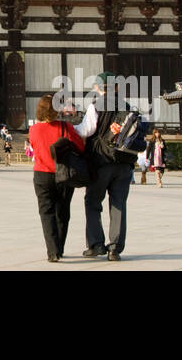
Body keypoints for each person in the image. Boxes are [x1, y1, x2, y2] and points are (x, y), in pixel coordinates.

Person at [76, 72, 140, 262]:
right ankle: (115, 248)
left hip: (101, 162)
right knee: (118, 204)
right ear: (117, 87)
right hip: (124, 162)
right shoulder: (128, 107)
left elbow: (86, 131)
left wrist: (69, 127)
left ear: (97, 88)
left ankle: (96, 244)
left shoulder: (96, 105)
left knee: (93, 202)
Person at [29, 94, 85, 263]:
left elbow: (33, 148)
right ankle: (59, 248)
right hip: (63, 175)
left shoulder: (34, 130)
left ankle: (52, 251)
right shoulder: (65, 127)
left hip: (41, 175)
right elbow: (80, 147)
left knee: (46, 212)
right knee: (62, 211)